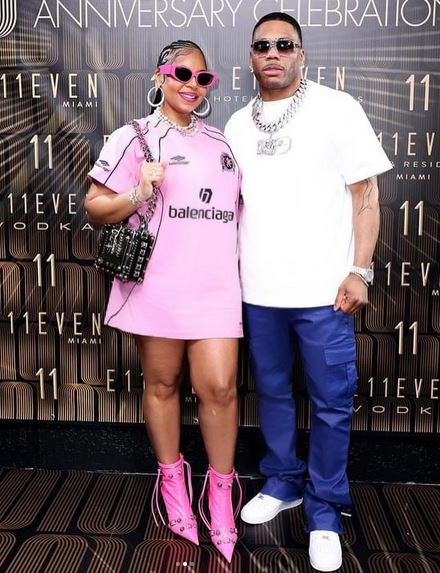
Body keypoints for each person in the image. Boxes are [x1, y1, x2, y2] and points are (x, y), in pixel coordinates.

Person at [224, 12, 392, 572]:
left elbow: (366, 195)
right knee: (271, 393)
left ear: (301, 53)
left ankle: (324, 510)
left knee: (330, 403)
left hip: (325, 293)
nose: (272, 53)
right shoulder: (237, 125)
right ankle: (282, 482)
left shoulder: (337, 108)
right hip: (258, 292)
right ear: (251, 57)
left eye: (284, 44)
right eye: (262, 45)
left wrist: (360, 270)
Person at [85, 40, 242, 563]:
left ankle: (221, 496)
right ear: (160, 76)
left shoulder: (221, 142)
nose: (192, 85)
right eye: (181, 74)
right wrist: (138, 192)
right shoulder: (134, 137)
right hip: (160, 285)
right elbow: (94, 207)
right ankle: (173, 487)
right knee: (163, 384)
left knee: (220, 388)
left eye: (203, 78)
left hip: (216, 286)